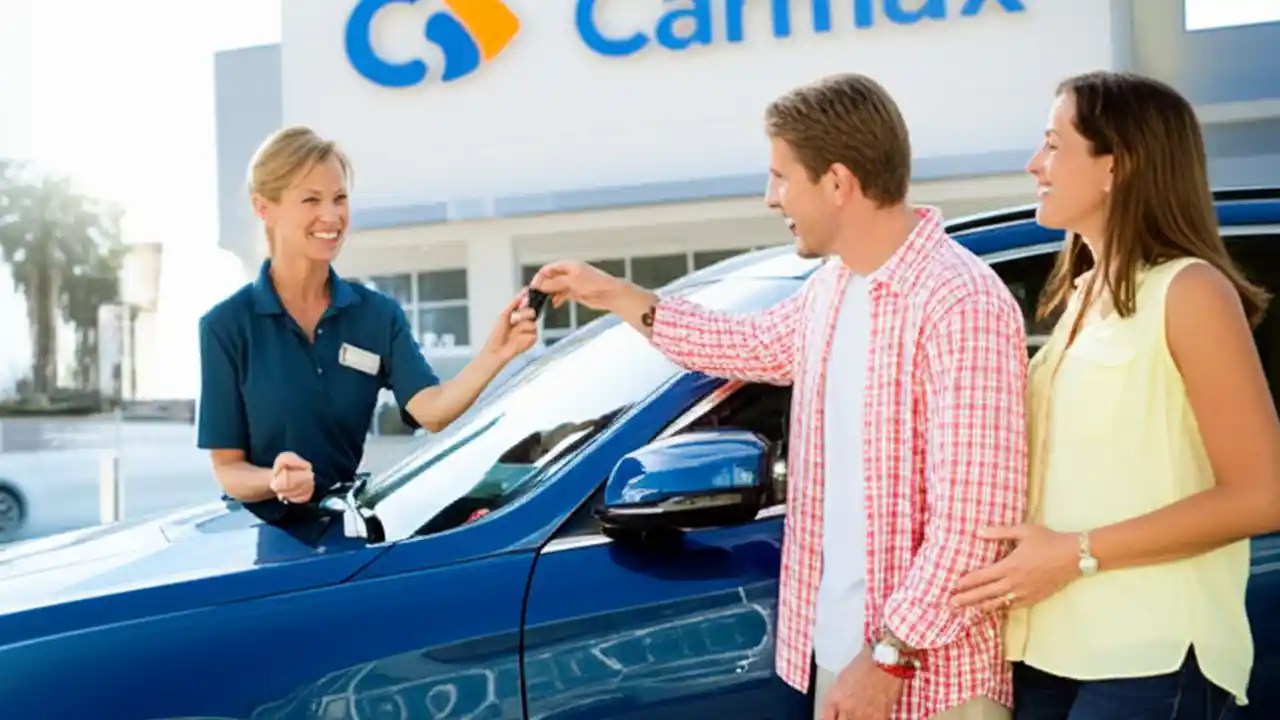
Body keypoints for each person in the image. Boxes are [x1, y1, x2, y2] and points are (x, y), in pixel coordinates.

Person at [530, 73, 1028, 720]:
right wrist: (616, 295)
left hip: (928, 680)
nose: (771, 198)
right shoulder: (833, 288)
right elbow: (746, 344)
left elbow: (975, 525)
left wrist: (890, 657)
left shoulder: (960, 302)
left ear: (838, 182)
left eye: (781, 177)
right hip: (845, 655)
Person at [950, 71, 1280, 719]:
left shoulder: (1190, 290)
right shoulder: (1081, 296)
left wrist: (1075, 553)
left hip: (1148, 656)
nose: (1034, 164)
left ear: (1116, 165)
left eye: (1053, 145)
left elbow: (1263, 493)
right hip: (1048, 648)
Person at [197, 126, 538, 531]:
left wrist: (497, 353)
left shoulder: (376, 315)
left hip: (346, 531)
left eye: (339, 198)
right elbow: (228, 469)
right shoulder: (226, 326)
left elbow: (431, 411)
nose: (332, 216)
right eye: (311, 200)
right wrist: (275, 480)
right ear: (264, 208)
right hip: (256, 537)